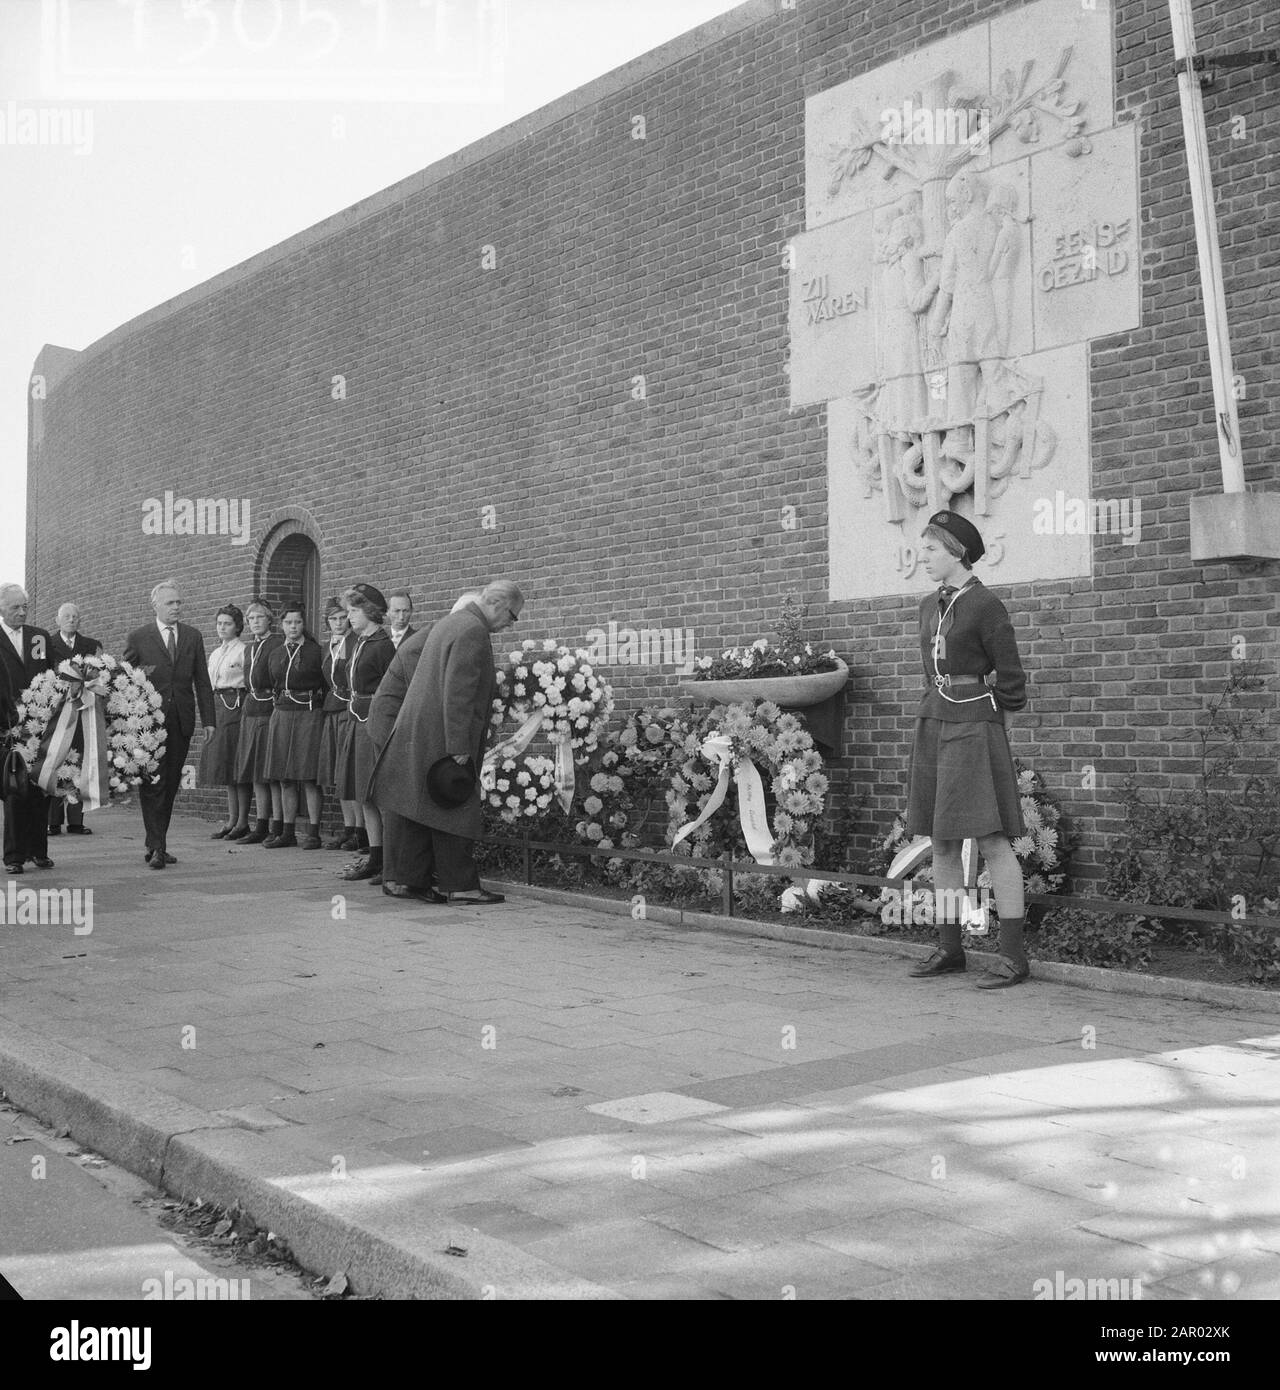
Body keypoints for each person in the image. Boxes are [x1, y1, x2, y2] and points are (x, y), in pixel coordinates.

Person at [905, 511, 1030, 988]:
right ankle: (950, 948)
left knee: (992, 838)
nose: (924, 556)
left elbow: (1013, 682)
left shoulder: (986, 605)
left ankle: (1013, 956)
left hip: (975, 728)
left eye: (931, 549)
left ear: (956, 552)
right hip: (934, 724)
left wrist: (990, 723)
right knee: (941, 840)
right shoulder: (927, 606)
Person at [368, 581, 522, 905]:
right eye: (512, 615)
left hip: (421, 731)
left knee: (419, 808)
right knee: (455, 806)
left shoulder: (451, 622)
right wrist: (459, 747)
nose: (511, 623)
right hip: (442, 736)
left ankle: (406, 880)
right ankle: (461, 885)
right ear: (496, 603)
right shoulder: (472, 630)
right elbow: (459, 693)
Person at [123, 579, 216, 870]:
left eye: (179, 602)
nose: (176, 607)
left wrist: (209, 720)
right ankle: (158, 846)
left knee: (171, 782)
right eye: (170, 603)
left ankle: (156, 843)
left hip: (180, 721)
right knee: (153, 783)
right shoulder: (139, 637)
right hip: (148, 723)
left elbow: (202, 680)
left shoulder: (192, 636)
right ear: (156, 605)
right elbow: (125, 679)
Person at [336, 585, 394, 884]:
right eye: (348, 611)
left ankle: (389, 860)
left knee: (378, 792)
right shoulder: (358, 642)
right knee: (364, 793)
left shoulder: (383, 644)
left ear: (370, 611)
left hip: (375, 722)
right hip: (356, 720)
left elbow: (393, 688)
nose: (349, 617)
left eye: (354, 611)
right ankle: (375, 856)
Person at [261, 603, 327, 849]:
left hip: (308, 715)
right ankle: (287, 832)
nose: (293, 627)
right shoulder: (275, 654)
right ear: (282, 625)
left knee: (309, 777)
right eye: (288, 623)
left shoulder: (315, 651)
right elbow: (273, 682)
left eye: (297, 622)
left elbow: (325, 684)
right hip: (282, 714)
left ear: (304, 624)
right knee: (285, 777)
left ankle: (313, 832)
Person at [1, 583, 53, 873]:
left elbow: (53, 675)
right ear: (1, 609)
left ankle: (38, 850)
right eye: (14, 607)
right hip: (6, 726)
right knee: (14, 788)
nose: (21, 612)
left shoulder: (39, 637)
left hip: (39, 723)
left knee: (40, 787)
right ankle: (14, 856)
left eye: (24, 607)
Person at [46, 601, 103, 837]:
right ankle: (53, 821)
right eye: (67, 616)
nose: (72, 620)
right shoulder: (48, 644)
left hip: (82, 713)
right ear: (57, 620)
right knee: (55, 762)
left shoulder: (89, 645)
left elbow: (99, 676)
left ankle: (76, 821)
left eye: (76, 616)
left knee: (79, 762)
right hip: (58, 713)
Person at [233, 600, 284, 844]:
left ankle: (276, 824)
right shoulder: (249, 647)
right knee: (254, 771)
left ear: (269, 620)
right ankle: (259, 823)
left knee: (268, 771)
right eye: (251, 618)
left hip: (268, 710)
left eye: (260, 617)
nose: (255, 622)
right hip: (250, 710)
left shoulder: (276, 644)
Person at [200, 604, 250, 840]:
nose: (222, 628)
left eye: (227, 623)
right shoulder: (216, 653)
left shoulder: (243, 651)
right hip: (218, 706)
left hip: (236, 706)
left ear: (237, 626)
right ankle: (231, 819)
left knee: (237, 765)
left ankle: (242, 821)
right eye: (219, 623)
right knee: (225, 764)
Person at [317, 599, 360, 851]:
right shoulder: (328, 647)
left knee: (349, 769)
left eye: (342, 617)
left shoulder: (355, 643)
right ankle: (347, 827)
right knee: (338, 772)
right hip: (331, 708)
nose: (338, 623)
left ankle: (359, 830)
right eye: (333, 619)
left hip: (348, 708)